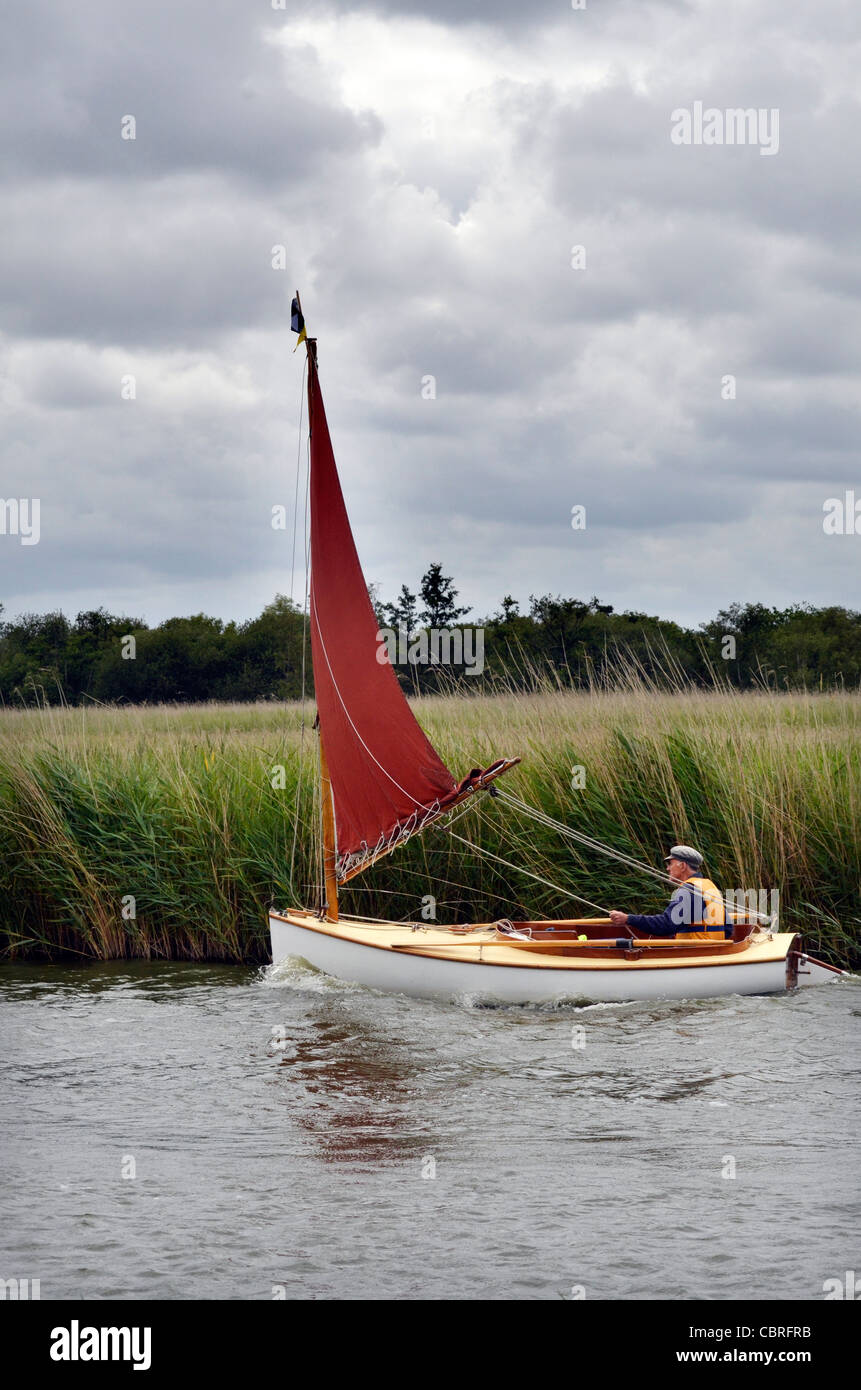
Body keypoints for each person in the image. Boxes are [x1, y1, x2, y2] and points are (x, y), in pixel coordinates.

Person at [609, 845, 728, 941]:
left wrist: (628, 919)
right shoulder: (709, 887)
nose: (668, 868)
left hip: (694, 955)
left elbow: (666, 924)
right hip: (711, 953)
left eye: (670, 863)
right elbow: (728, 929)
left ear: (682, 866)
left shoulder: (689, 890)